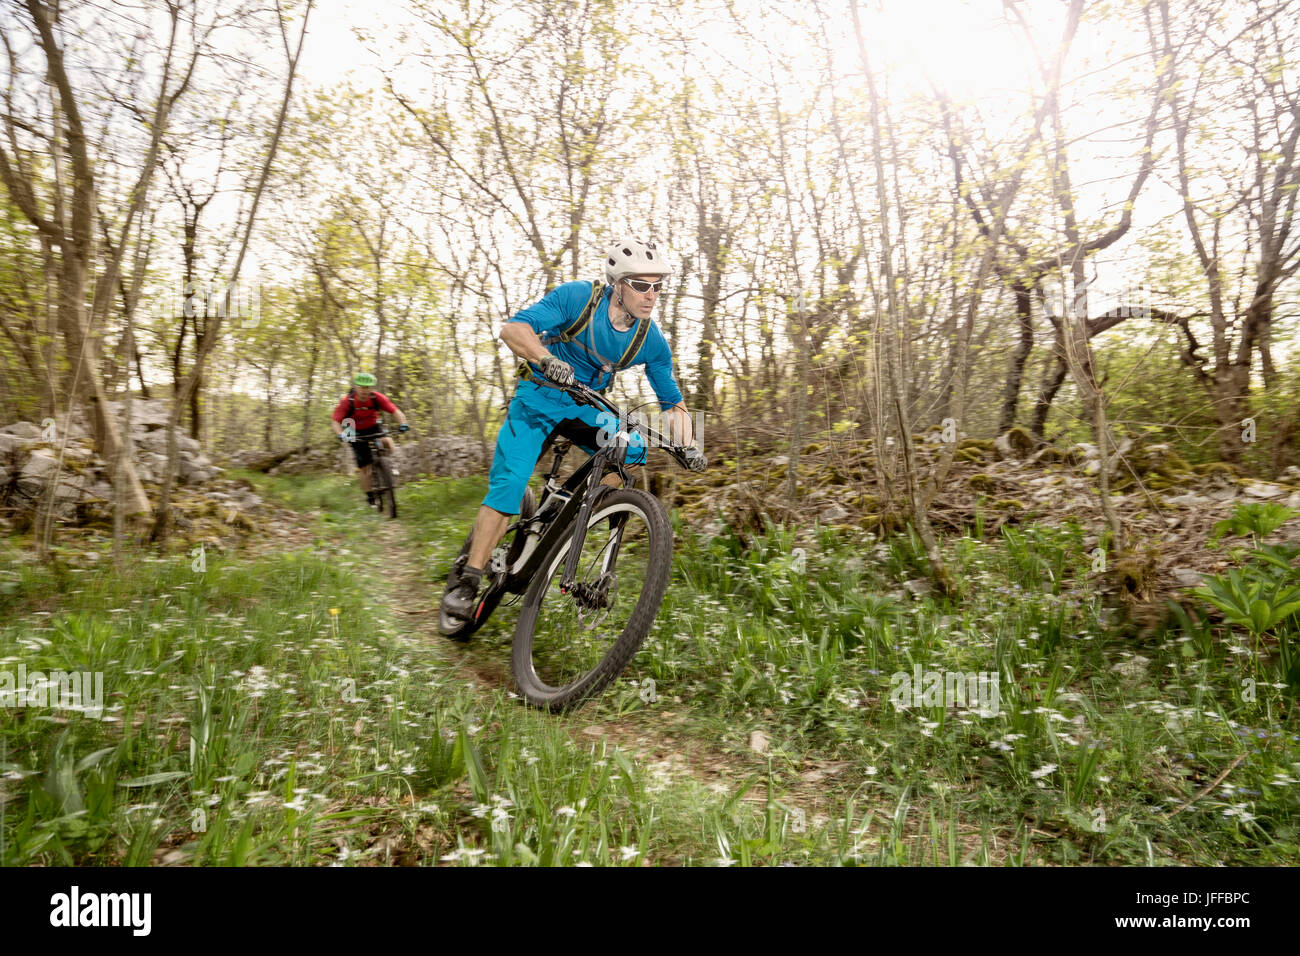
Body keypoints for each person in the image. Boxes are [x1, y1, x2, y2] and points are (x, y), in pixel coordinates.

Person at [439, 236, 707, 628]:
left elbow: (672, 402)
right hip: (538, 399)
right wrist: (546, 359)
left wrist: (687, 444)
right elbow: (513, 330)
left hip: (587, 406)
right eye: (642, 285)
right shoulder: (579, 299)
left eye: (658, 287)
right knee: (511, 484)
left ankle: (569, 517)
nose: (652, 295)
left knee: (632, 448)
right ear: (618, 285)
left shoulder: (650, 339)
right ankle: (469, 579)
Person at [330, 372, 409, 505]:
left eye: (367, 387)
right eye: (361, 387)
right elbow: (335, 421)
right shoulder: (347, 402)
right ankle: (370, 497)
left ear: (371, 388)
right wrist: (341, 434)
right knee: (365, 468)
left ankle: (389, 464)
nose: (364, 390)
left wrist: (403, 423)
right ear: (356, 388)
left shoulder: (377, 398)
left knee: (387, 441)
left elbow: (396, 411)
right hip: (353, 428)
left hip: (373, 425)